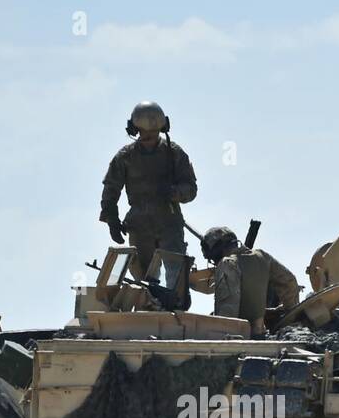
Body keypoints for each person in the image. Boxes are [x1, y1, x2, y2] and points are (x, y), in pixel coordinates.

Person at [99, 101, 197, 286]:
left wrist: (174, 193)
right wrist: (112, 220)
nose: (149, 139)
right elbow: (110, 190)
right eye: (145, 135)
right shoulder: (125, 157)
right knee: (143, 282)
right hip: (139, 226)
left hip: (170, 224)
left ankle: (176, 309)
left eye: (153, 134)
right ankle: (150, 309)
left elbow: (191, 189)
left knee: (176, 276)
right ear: (135, 130)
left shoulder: (174, 153)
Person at [200, 226, 300, 337]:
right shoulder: (262, 256)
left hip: (241, 340)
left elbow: (228, 314)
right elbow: (289, 282)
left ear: (216, 253)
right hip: (261, 334)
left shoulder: (228, 264)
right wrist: (288, 315)